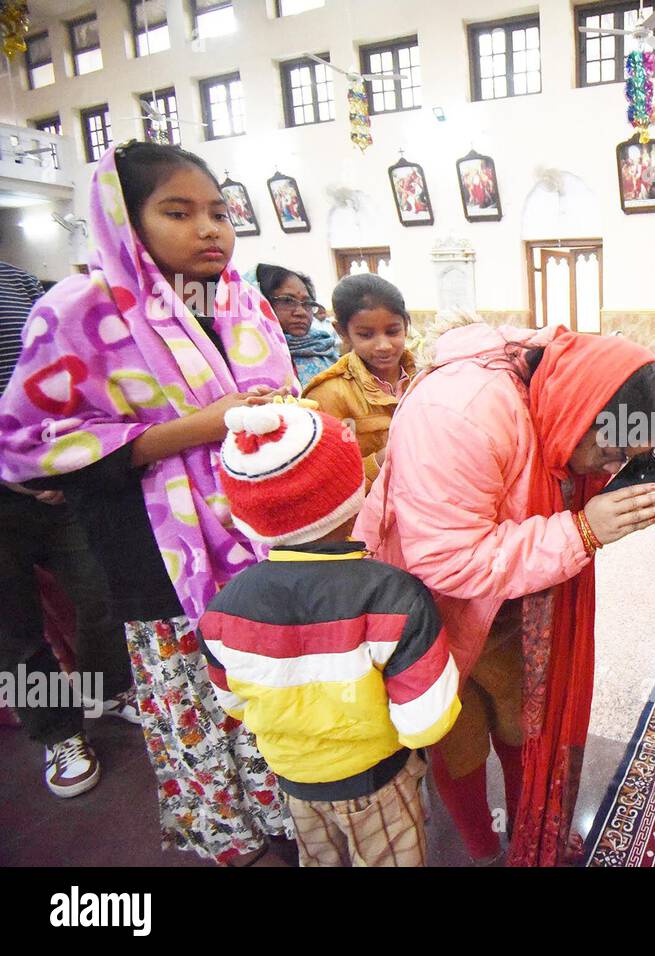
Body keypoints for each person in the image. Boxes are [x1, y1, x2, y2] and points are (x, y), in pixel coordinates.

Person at [0, 141, 297, 865]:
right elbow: (29, 440)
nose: (209, 229)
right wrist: (198, 427)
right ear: (121, 218)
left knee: (255, 676)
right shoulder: (78, 307)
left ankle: (281, 806)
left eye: (219, 212)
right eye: (178, 211)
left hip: (243, 530)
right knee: (165, 681)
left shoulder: (235, 299)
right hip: (148, 542)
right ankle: (215, 819)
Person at [354, 323, 655, 865]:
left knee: (525, 721)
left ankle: (530, 835)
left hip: (510, 592)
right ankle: (481, 849)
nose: (612, 471)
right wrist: (582, 531)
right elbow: (447, 558)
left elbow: (582, 469)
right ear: (582, 414)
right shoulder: (460, 415)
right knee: (458, 738)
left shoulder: (560, 380)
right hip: (429, 608)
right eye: (613, 452)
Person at [200, 401, 461, 867]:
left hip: (295, 784)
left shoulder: (223, 610)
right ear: (355, 491)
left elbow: (234, 702)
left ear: (248, 518)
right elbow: (426, 721)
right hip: (377, 781)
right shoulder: (395, 597)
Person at [0, 261, 137, 798]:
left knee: (102, 595)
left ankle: (107, 689)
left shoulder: (15, 279)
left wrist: (61, 460)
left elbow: (73, 367)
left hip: (57, 479)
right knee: (13, 633)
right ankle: (58, 733)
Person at [301, 273, 416, 493]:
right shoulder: (328, 395)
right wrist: (381, 461)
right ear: (342, 332)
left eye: (393, 331)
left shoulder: (425, 378)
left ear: (406, 325)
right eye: (366, 335)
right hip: (368, 518)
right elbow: (325, 480)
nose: (383, 345)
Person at [254, 263, 339, 389]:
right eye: (287, 301)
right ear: (258, 303)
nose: (301, 312)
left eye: (307, 303)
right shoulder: (244, 356)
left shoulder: (322, 349)